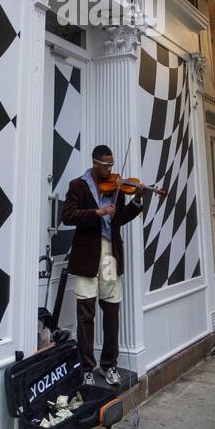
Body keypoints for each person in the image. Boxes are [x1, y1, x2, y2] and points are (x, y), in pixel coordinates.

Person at [61, 145, 145, 387]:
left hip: (110, 254)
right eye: (106, 165)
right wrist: (96, 212)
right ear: (95, 163)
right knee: (85, 312)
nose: (110, 170)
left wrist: (138, 199)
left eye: (112, 165)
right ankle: (87, 367)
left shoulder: (118, 188)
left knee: (111, 311)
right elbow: (68, 216)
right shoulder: (77, 185)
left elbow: (121, 219)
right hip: (87, 255)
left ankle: (109, 365)